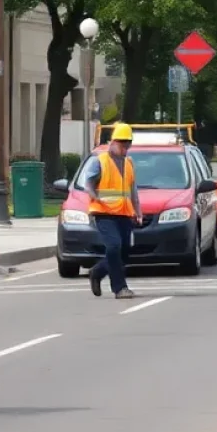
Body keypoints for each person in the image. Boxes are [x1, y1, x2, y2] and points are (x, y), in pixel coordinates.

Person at [85, 122, 142, 300]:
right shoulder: (100, 161)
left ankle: (97, 271)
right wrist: (95, 196)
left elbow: (133, 191)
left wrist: (138, 211)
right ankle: (120, 288)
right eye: (122, 144)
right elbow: (88, 184)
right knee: (114, 246)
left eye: (128, 145)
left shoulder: (129, 164)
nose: (125, 148)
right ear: (113, 142)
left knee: (123, 252)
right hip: (104, 213)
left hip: (124, 213)